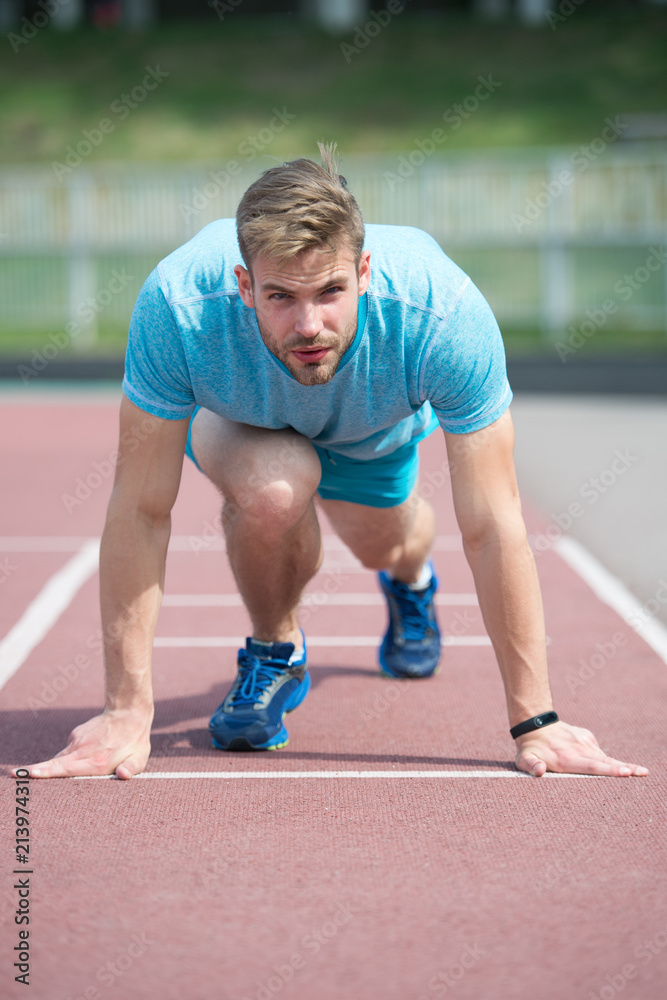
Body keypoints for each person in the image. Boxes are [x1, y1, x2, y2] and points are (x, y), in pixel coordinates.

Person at [19, 144, 647, 780]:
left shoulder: (443, 314)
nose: (309, 324)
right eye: (281, 297)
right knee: (275, 491)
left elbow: (493, 521)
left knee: (389, 545)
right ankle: (275, 652)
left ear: (365, 271)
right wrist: (126, 711)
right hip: (243, 421)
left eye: (330, 291)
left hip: (371, 428)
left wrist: (536, 721)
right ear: (243, 285)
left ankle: (411, 583)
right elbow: (140, 508)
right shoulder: (179, 308)